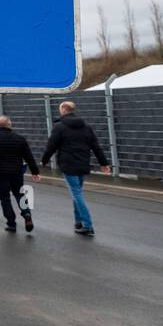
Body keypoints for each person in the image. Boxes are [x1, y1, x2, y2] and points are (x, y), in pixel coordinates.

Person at [41, 100, 111, 237]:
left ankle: (88, 225)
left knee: (76, 194)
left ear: (64, 110)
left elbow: (51, 146)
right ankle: (78, 222)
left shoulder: (59, 127)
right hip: (83, 163)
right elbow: (96, 146)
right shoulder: (86, 126)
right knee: (77, 192)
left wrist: (44, 160)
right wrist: (104, 163)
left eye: (60, 109)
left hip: (68, 164)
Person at [0, 115, 42, 233]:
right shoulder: (19, 138)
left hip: (0, 172)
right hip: (17, 171)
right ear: (10, 124)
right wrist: (35, 172)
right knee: (20, 194)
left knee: (5, 198)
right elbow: (28, 156)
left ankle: (11, 223)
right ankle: (27, 213)